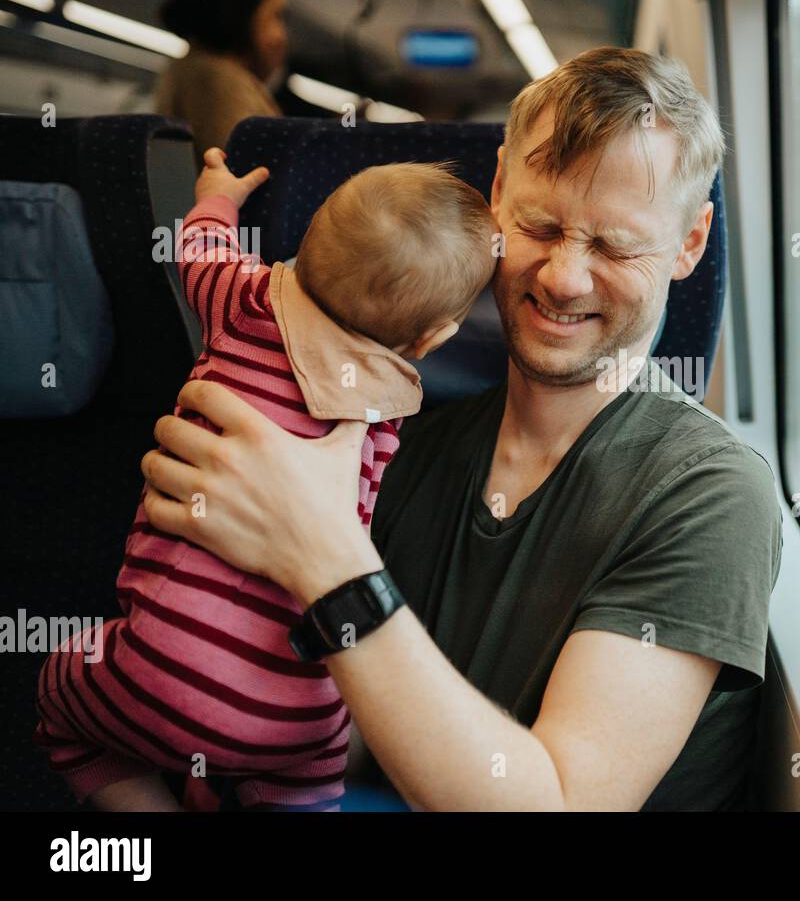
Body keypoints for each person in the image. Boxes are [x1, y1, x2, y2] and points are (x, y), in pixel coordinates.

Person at [126, 46, 784, 812]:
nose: (565, 277)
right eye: (540, 224)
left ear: (690, 244)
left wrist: (320, 554)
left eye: (616, 245)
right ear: (499, 189)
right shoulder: (398, 446)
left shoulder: (710, 492)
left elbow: (557, 803)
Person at [32, 148, 496, 811]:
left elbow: (201, 242)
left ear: (306, 245)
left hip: (154, 675)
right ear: (431, 339)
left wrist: (219, 196)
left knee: (60, 701)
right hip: (296, 721)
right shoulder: (384, 419)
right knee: (310, 778)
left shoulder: (244, 299)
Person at [154, 0, 288, 162]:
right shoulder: (219, 79)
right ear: (243, 12)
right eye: (275, 15)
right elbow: (262, 179)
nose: (281, 34)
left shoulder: (191, 66)